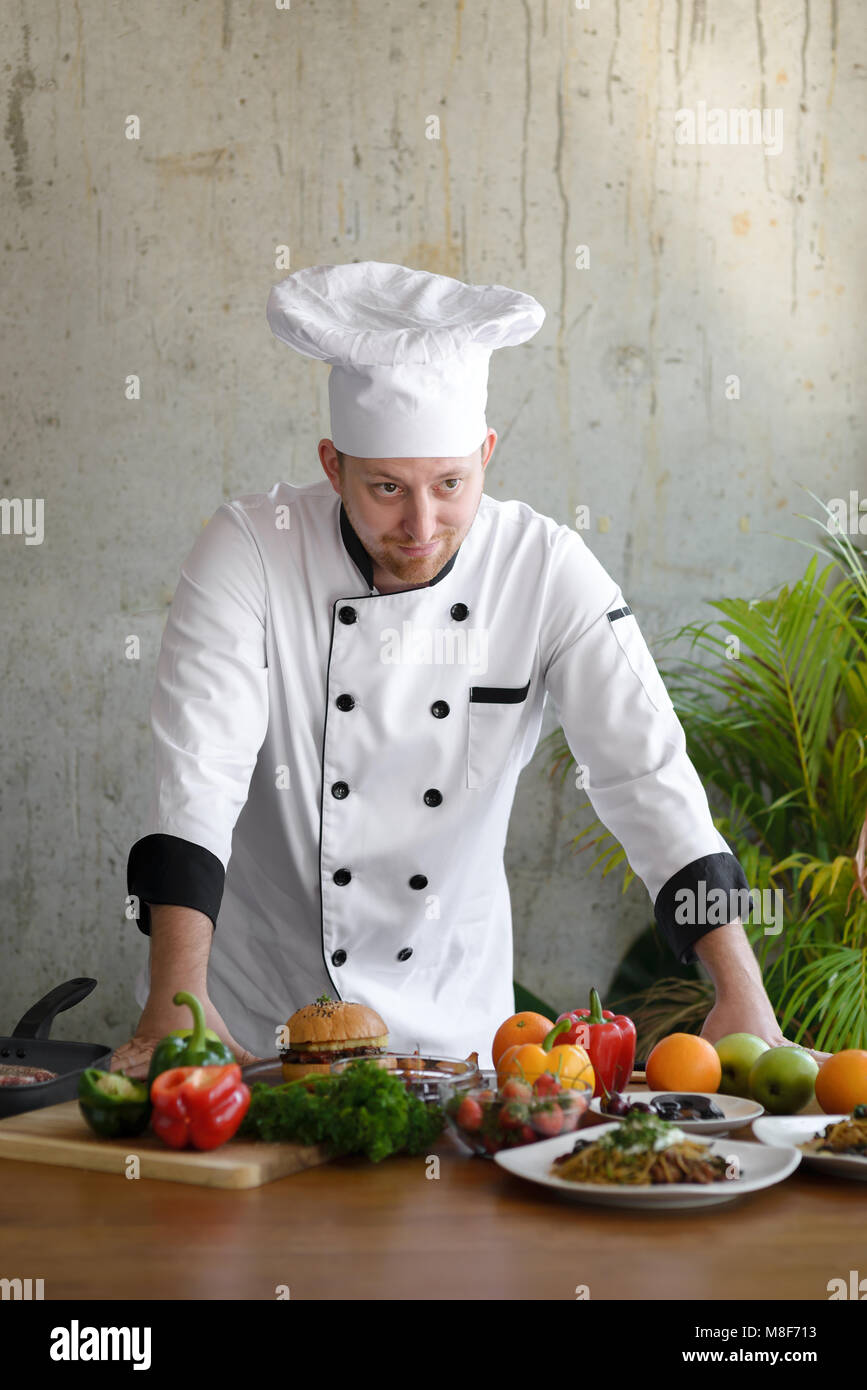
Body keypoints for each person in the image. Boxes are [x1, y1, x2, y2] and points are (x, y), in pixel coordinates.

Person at [113, 261, 816, 1077]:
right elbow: (199, 776)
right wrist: (176, 1002)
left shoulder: (545, 569)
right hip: (255, 1024)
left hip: (458, 1044)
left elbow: (645, 771)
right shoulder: (250, 549)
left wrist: (740, 984)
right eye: (385, 488)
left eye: (451, 484)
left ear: (486, 452)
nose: (420, 524)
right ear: (332, 465)